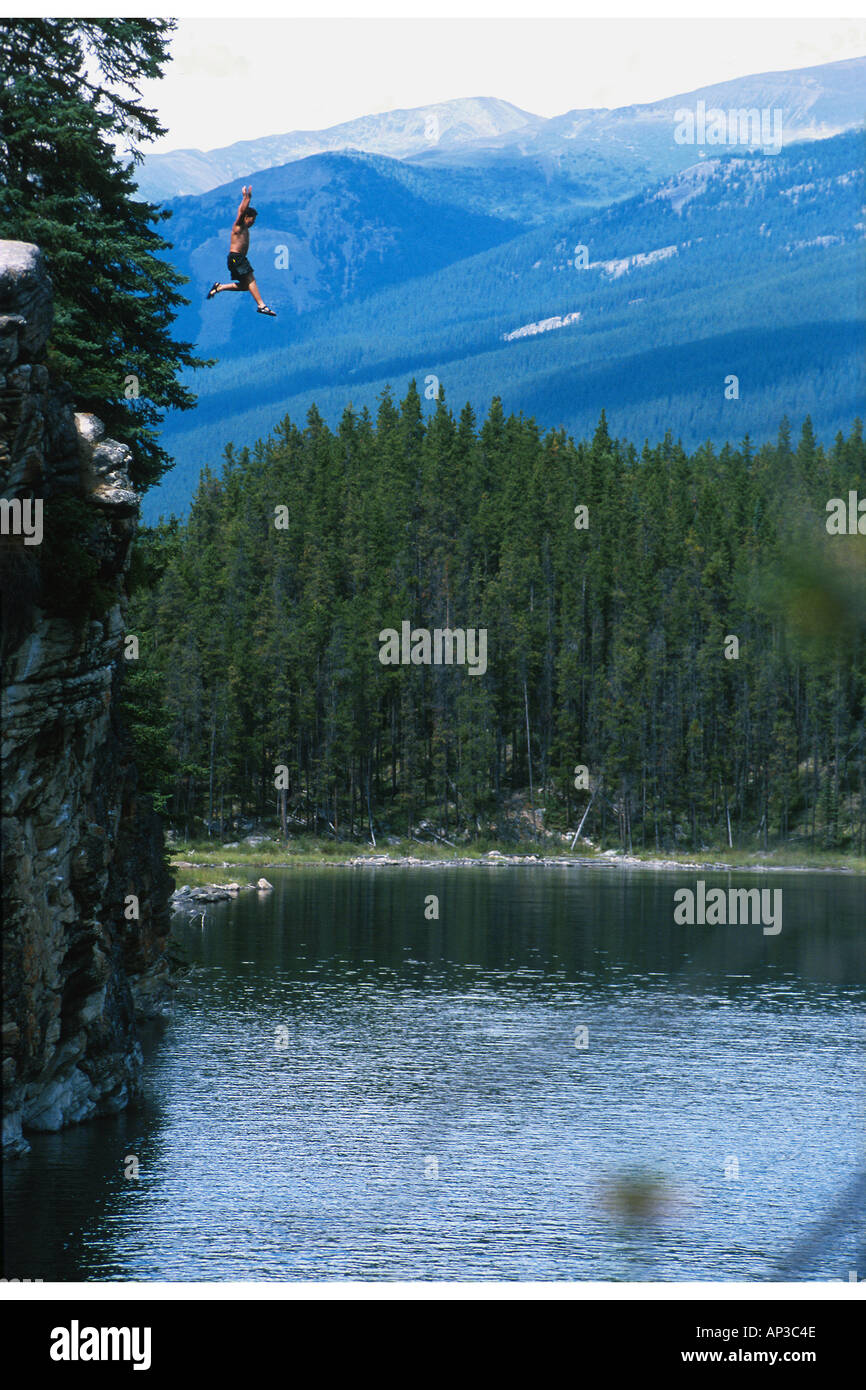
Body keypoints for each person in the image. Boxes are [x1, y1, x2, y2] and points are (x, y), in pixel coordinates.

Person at [206, 185, 276, 316]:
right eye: (252, 220)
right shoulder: (239, 225)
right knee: (251, 279)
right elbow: (241, 211)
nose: (253, 223)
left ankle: (219, 287)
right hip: (236, 257)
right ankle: (262, 305)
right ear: (246, 218)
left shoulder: (245, 229)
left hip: (238, 258)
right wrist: (246, 198)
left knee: (245, 286)